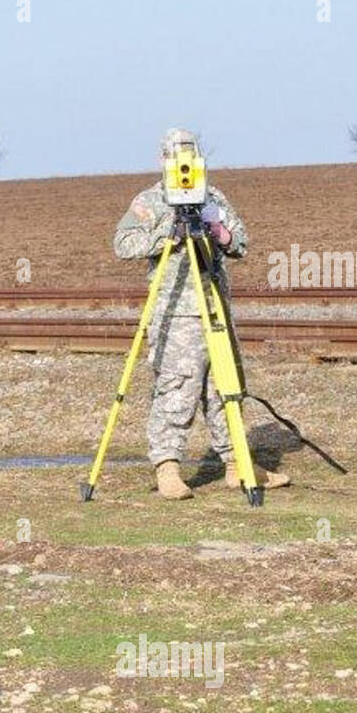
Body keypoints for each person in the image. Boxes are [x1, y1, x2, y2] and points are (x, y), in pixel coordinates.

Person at [113, 127, 290, 500]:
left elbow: (241, 242)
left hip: (214, 307)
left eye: (190, 154)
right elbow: (123, 244)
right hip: (177, 312)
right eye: (177, 155)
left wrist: (219, 231)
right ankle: (168, 468)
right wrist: (168, 234)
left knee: (227, 389)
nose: (184, 163)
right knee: (178, 388)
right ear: (164, 158)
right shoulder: (150, 201)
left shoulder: (212, 197)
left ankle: (238, 465)